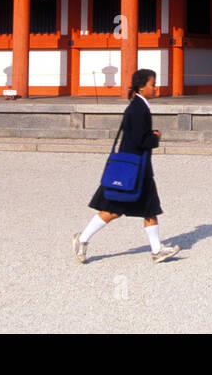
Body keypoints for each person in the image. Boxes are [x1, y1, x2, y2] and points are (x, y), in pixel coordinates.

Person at [74, 68, 180, 264]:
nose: (155, 88)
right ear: (142, 86)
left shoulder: (137, 106)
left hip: (135, 167)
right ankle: (82, 239)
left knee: (149, 208)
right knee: (114, 210)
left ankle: (157, 250)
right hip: (135, 169)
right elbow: (141, 140)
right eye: (152, 84)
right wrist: (155, 137)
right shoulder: (139, 109)